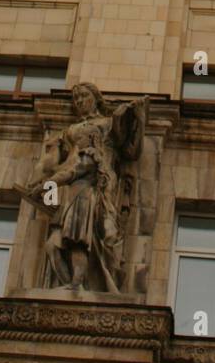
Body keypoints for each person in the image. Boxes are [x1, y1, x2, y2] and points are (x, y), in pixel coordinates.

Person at [23, 83, 146, 293]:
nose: (79, 102)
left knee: (107, 234)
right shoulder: (69, 131)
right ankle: (71, 284)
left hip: (101, 185)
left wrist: (139, 120)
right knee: (62, 242)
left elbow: (131, 151)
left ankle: (97, 280)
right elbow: (53, 163)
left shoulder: (107, 125)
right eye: (76, 98)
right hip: (73, 191)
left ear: (96, 98)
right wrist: (39, 180)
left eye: (84, 96)